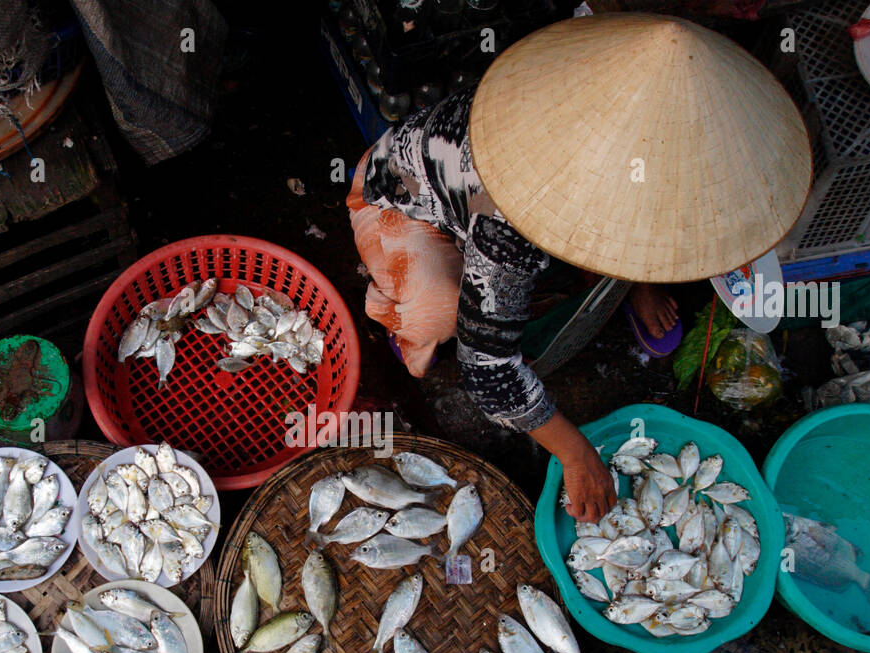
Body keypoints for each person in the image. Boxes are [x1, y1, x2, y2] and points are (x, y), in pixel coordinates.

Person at [346, 13, 811, 525]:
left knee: (624, 241)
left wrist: (641, 277)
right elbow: (489, 371)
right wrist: (574, 452)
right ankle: (404, 312)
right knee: (440, 316)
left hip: (486, 206)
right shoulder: (510, 217)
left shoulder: (638, 78)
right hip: (401, 200)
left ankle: (626, 284)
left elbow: (656, 195)